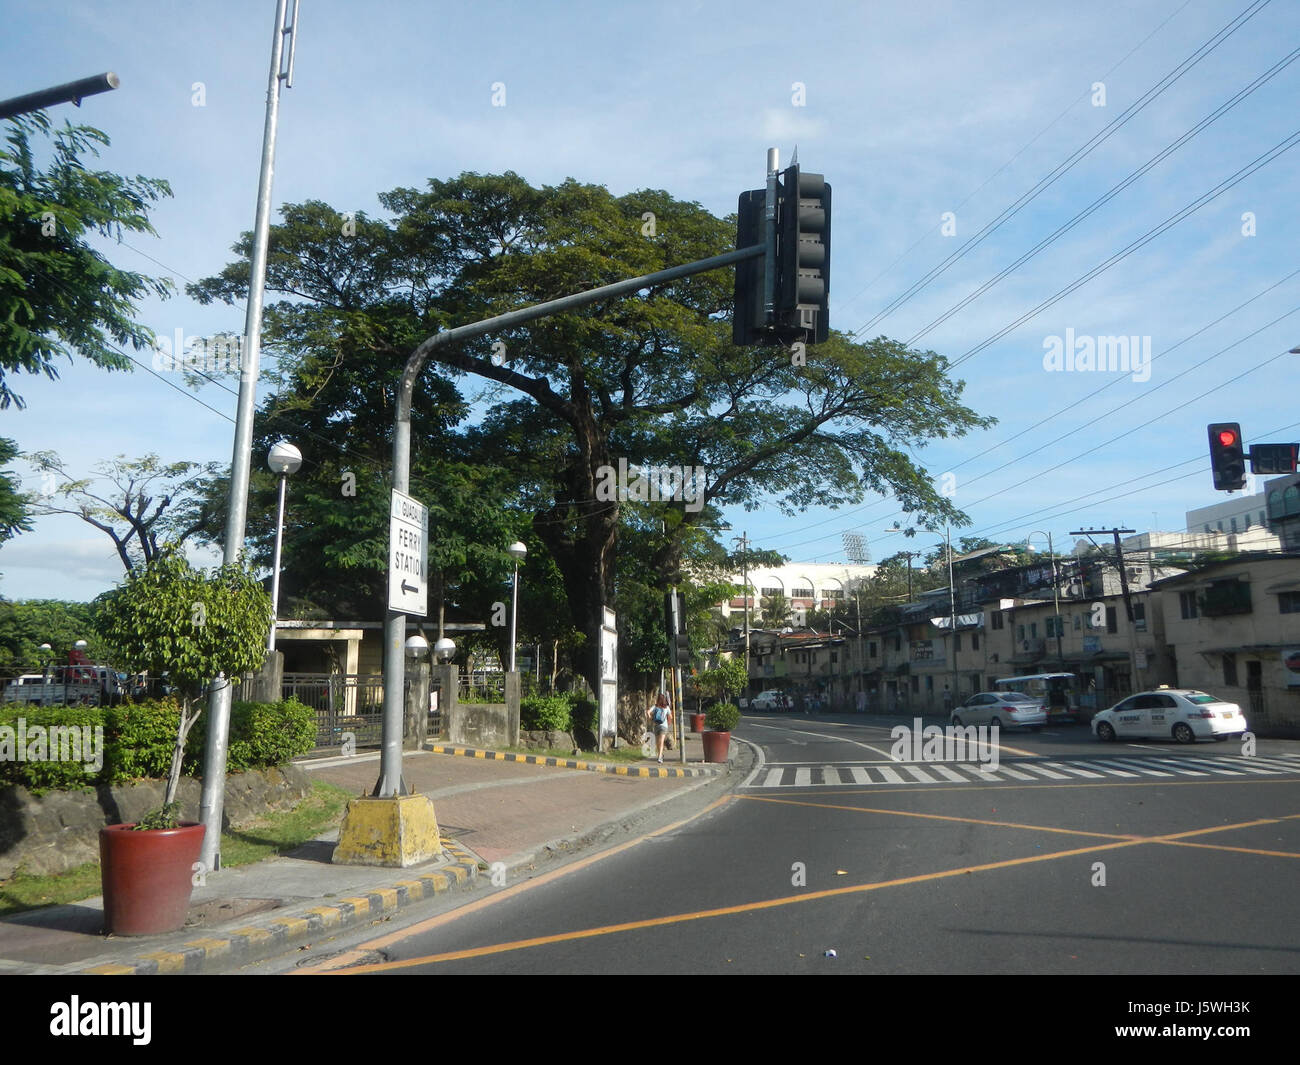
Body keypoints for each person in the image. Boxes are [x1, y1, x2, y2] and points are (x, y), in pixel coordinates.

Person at [646, 692, 673, 763]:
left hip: (656, 725)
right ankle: (660, 756)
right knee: (661, 742)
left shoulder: (655, 706)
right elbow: (671, 717)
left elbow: (648, 712)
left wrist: (650, 718)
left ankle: (659, 755)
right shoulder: (666, 707)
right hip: (664, 726)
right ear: (664, 700)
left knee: (658, 742)